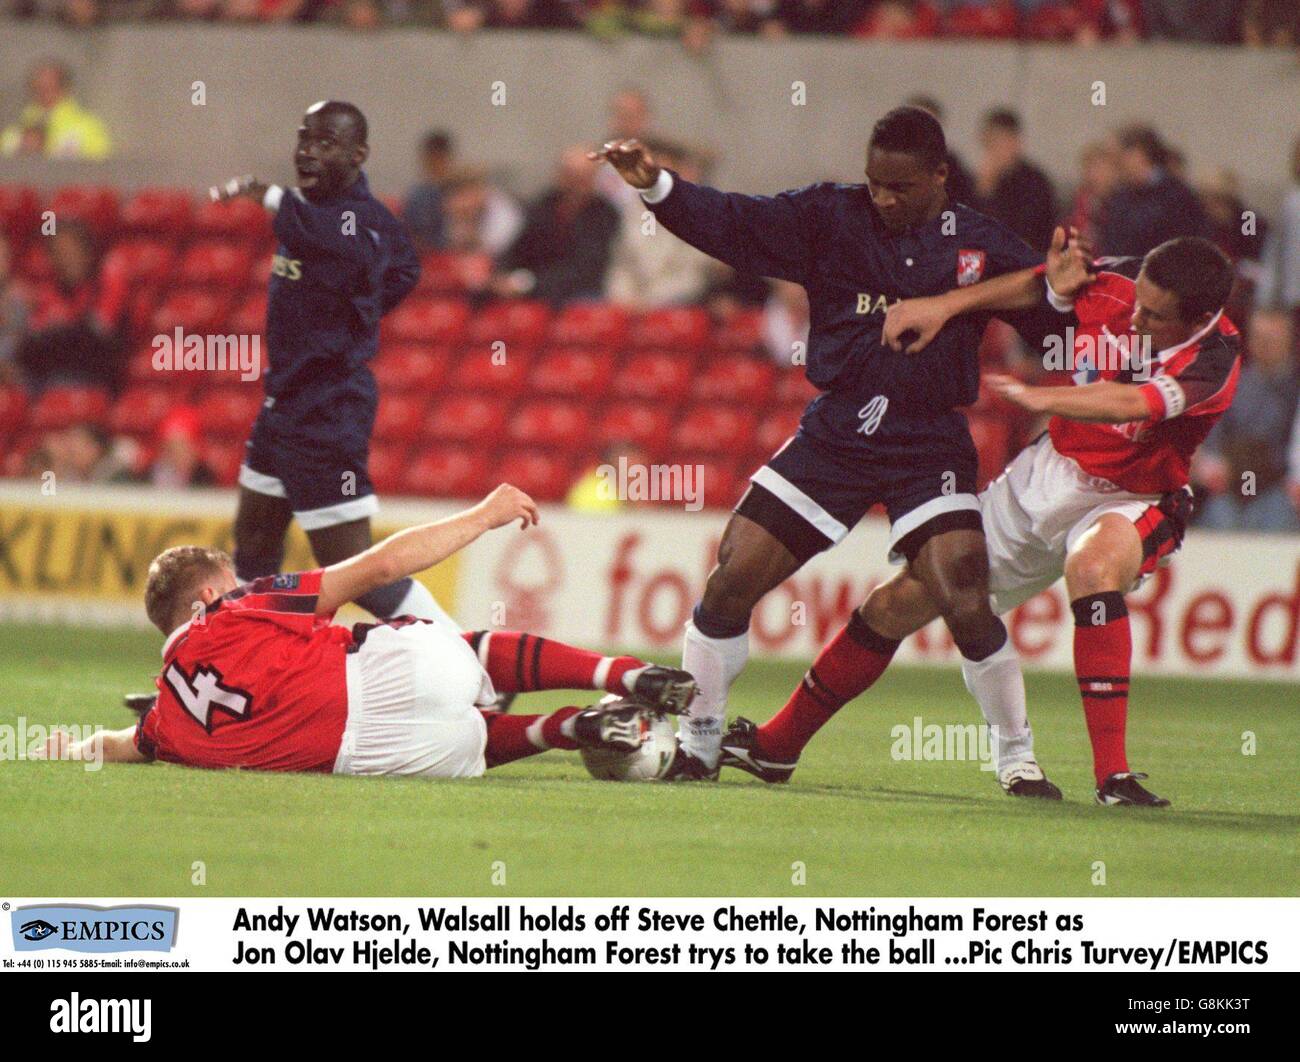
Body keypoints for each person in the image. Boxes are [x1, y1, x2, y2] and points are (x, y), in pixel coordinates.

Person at [592, 106, 1048, 779]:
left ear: (940, 177)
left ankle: (1018, 760)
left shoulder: (981, 242)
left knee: (963, 592)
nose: (883, 199)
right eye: (875, 184)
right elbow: (735, 223)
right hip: (838, 432)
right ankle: (700, 742)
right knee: (733, 574)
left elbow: (1048, 296)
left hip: (927, 441)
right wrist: (659, 188)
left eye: (900, 187)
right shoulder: (830, 216)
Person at [722, 233, 1241, 807]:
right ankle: (777, 746)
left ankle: (1113, 778)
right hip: (1049, 472)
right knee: (895, 603)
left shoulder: (1214, 360)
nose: (1136, 315)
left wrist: (1045, 400)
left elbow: (1130, 404)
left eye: (1154, 314)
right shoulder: (1116, 279)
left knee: (1092, 567)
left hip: (1135, 496)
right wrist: (948, 304)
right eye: (1139, 301)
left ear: (1199, 317)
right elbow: (1032, 282)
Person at [37, 484, 698, 777]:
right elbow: (379, 565)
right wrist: (482, 515)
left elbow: (118, 744)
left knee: (471, 739)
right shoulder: (240, 608)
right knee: (468, 652)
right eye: (232, 577)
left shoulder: (166, 724)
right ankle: (623, 675)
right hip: (385, 675)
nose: (241, 583)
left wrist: (64, 749)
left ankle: (571, 729)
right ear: (208, 596)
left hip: (372, 760)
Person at [212, 101, 452, 629]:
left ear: (358, 154)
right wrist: (361, 303)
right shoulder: (311, 213)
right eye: (304, 139)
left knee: (357, 572)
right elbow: (403, 270)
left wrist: (269, 197)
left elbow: (350, 246)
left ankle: (472, 662)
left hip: (327, 410)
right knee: (252, 546)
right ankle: (247, 666)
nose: (308, 153)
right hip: (282, 406)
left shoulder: (353, 219)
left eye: (325, 143)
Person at [1099, 124, 1207, 257]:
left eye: (1119, 159)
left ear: (1138, 154)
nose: (1116, 167)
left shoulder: (1177, 195)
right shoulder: (1119, 199)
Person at [973, 108, 1057, 254]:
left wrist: (988, 195)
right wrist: (983, 191)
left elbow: (1023, 233)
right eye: (990, 143)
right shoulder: (979, 180)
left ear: (1016, 142)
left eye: (1000, 142)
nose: (994, 150)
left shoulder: (1034, 182)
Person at [1, 58, 112, 160]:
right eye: (38, 89)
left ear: (65, 89)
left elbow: (102, 170)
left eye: (49, 88)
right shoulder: (15, 133)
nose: (43, 95)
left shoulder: (88, 128)